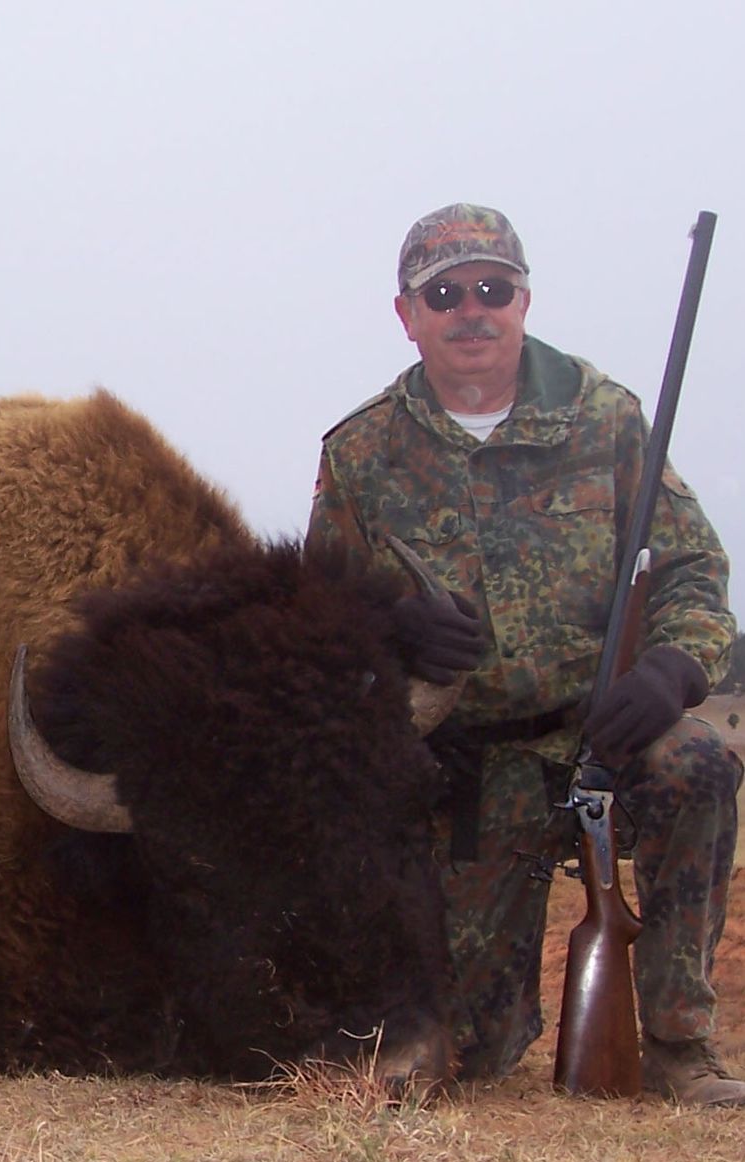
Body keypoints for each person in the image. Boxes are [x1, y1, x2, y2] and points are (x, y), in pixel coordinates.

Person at [307, 203, 741, 1106]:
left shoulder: (611, 419)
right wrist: (396, 635)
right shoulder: (361, 453)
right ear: (408, 313)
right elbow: (319, 622)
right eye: (446, 292)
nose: (472, 309)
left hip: (607, 740)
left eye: (492, 289)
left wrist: (673, 672)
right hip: (462, 767)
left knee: (698, 762)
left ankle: (678, 1045)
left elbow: (695, 567)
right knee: (470, 1052)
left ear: (524, 300)